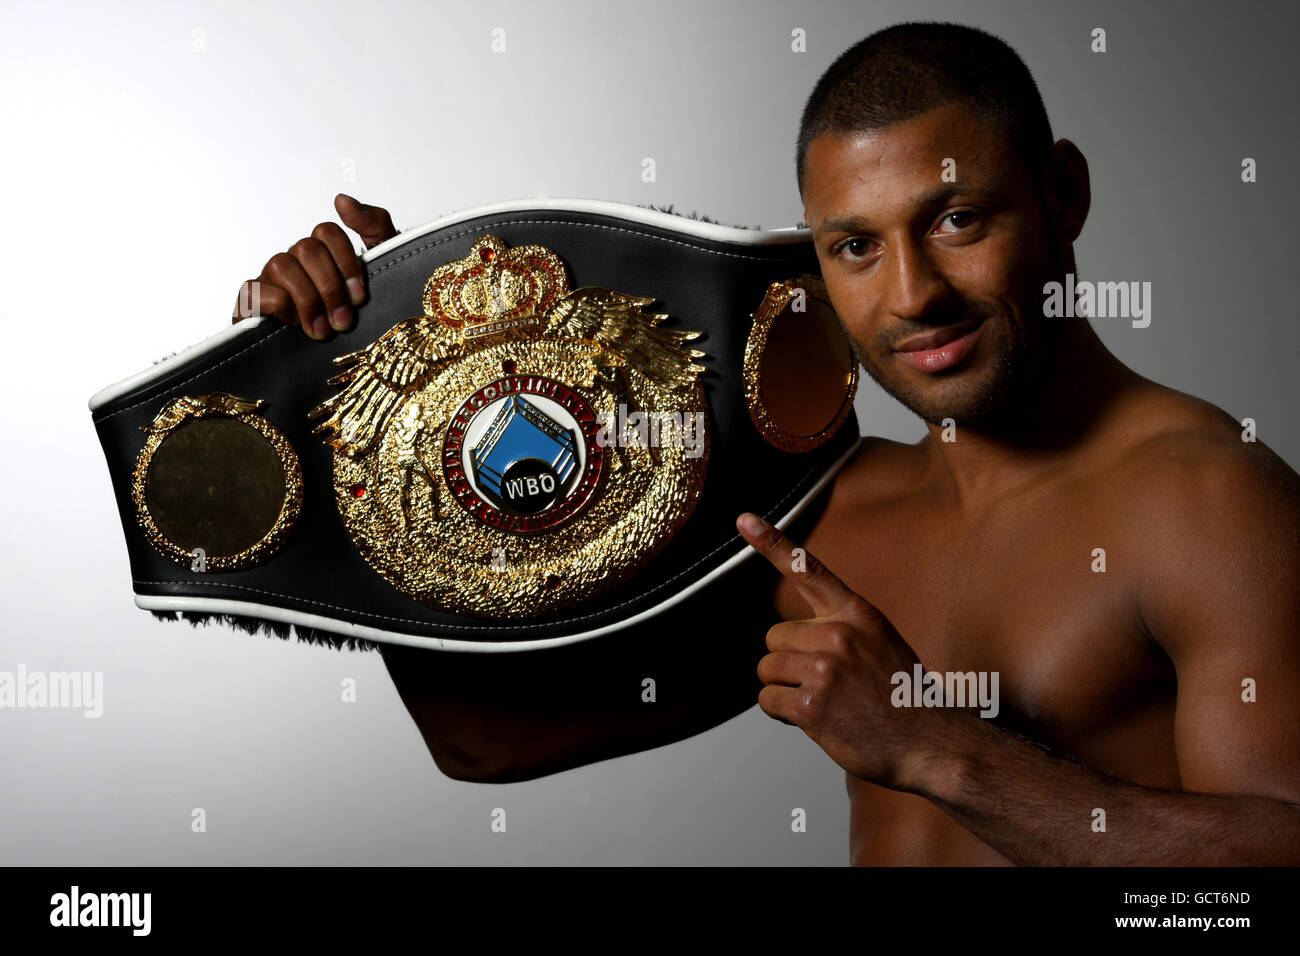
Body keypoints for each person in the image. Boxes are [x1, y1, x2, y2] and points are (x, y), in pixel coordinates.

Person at [233, 22, 1300, 864]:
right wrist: (371, 405)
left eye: (957, 219)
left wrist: (937, 747)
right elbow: (487, 741)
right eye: (854, 246)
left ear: (1061, 194)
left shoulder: (1205, 498)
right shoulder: (828, 510)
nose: (913, 293)